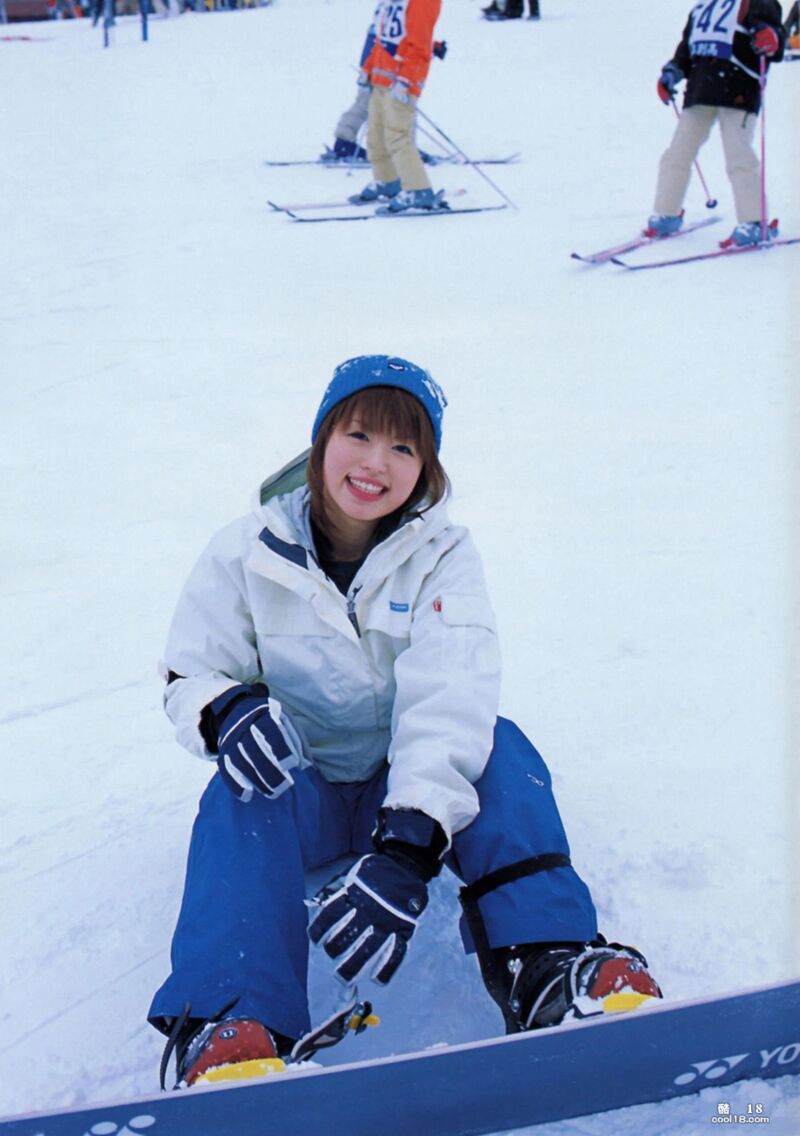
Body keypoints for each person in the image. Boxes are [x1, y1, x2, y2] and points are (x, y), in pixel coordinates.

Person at [148, 355, 662, 1089]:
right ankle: (233, 1025)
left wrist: (409, 848)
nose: (374, 463)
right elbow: (188, 669)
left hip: (405, 780)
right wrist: (224, 708)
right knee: (237, 797)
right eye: (358, 435)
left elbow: (452, 693)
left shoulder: (444, 554)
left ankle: (549, 963)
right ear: (322, 439)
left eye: (403, 447)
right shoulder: (244, 550)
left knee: (498, 748)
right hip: (301, 786)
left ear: (427, 467)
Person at [646, 0, 785, 248]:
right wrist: (672, 72)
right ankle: (666, 213)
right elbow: (685, 51)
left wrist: (772, 37)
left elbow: (775, 37)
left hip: (738, 88)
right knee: (677, 154)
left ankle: (753, 221)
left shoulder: (756, 2)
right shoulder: (702, 8)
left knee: (738, 156)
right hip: (700, 91)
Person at [348, 0, 447, 213]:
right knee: (377, 134)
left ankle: (418, 189)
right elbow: (381, 38)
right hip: (381, 77)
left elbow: (420, 45)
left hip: (402, 81)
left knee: (397, 135)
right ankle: (387, 180)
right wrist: (368, 67)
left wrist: (406, 81)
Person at [321, 38, 447, 165]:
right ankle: (403, 149)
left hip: (379, 53)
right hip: (386, 57)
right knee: (401, 104)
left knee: (368, 100)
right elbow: (410, 32)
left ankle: (344, 142)